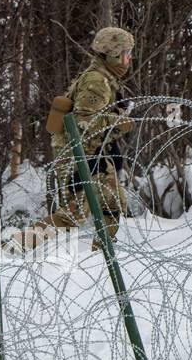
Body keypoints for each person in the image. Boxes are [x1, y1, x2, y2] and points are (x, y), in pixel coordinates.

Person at [10, 27, 136, 252]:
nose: (129, 59)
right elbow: (82, 124)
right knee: (70, 217)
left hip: (94, 154)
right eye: (126, 54)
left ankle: (103, 257)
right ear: (114, 55)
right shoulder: (97, 81)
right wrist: (119, 123)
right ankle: (13, 248)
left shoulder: (105, 79)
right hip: (79, 157)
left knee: (112, 205)